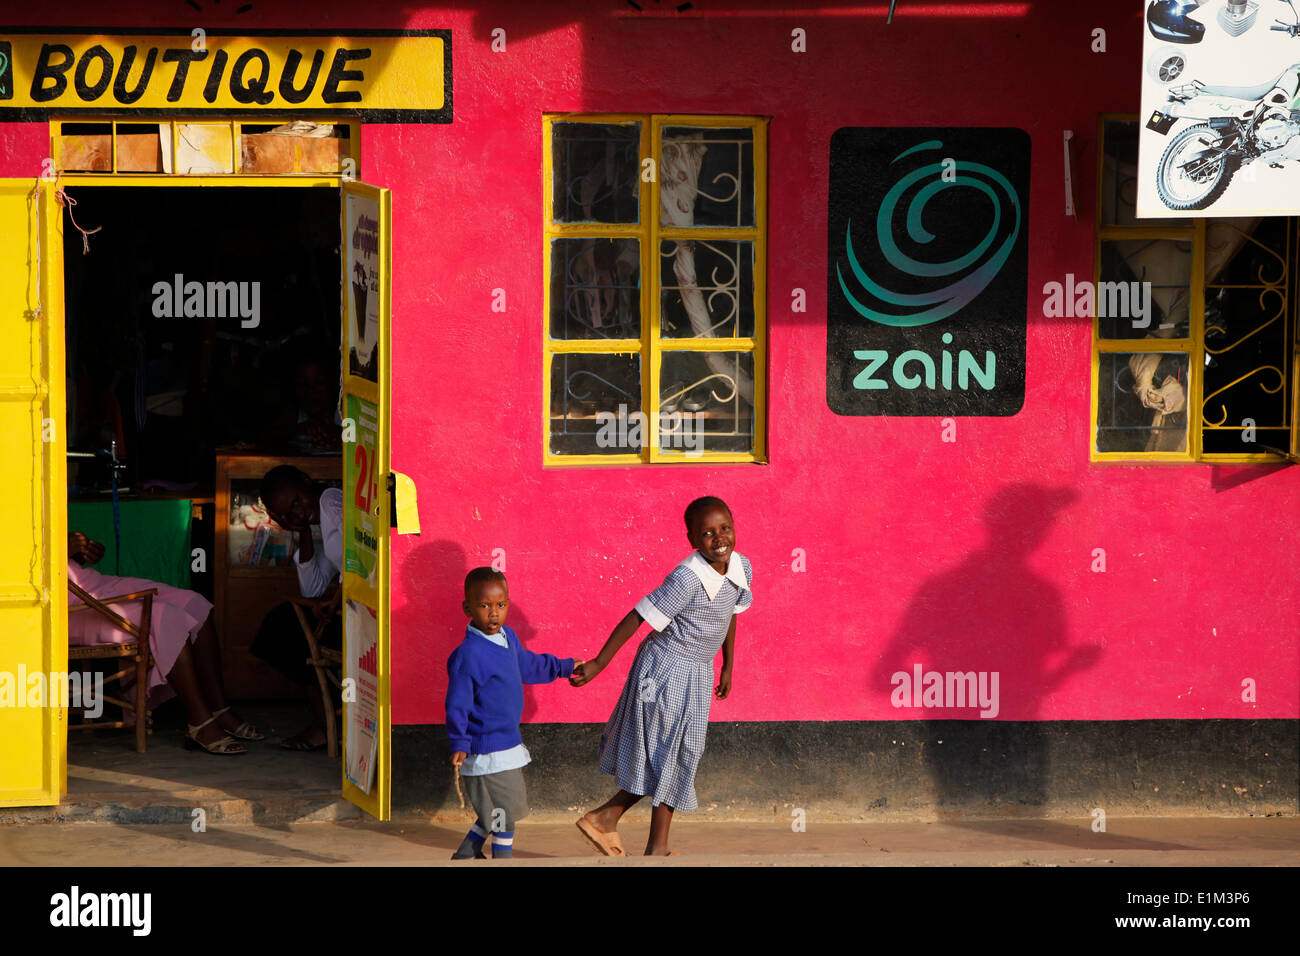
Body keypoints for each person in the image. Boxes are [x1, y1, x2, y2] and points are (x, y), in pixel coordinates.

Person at [570, 495, 752, 856]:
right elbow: (639, 615)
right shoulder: (686, 579)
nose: (719, 539)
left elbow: (730, 612)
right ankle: (654, 846)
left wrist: (727, 663)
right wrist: (599, 663)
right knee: (669, 752)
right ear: (692, 540)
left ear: (734, 526)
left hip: (698, 671)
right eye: (707, 533)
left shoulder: (741, 566)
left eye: (725, 528)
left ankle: (611, 820)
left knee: (684, 751)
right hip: (665, 669)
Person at [66, 531, 261, 755]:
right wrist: (61, 552)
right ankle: (200, 723)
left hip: (95, 584)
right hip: (70, 607)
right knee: (167, 616)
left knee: (194, 604)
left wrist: (82, 552)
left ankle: (218, 708)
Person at [444, 568, 577, 860]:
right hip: (485, 754)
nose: (494, 614)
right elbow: (458, 703)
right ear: (468, 608)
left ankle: (465, 855)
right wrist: (460, 741)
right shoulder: (469, 654)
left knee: (496, 813)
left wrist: (564, 667)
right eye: (484, 606)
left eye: (500, 605)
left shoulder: (508, 637)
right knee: (504, 819)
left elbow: (529, 666)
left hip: (507, 745)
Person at [251, 465, 344, 750]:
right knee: (284, 627)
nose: (298, 514)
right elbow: (313, 588)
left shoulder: (332, 503)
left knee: (284, 630)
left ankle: (325, 726)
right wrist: (303, 532)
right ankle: (327, 724)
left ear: (307, 481)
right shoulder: (324, 518)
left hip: (364, 615)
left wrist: (336, 600)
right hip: (350, 610)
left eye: (297, 502)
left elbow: (359, 561)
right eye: (287, 515)